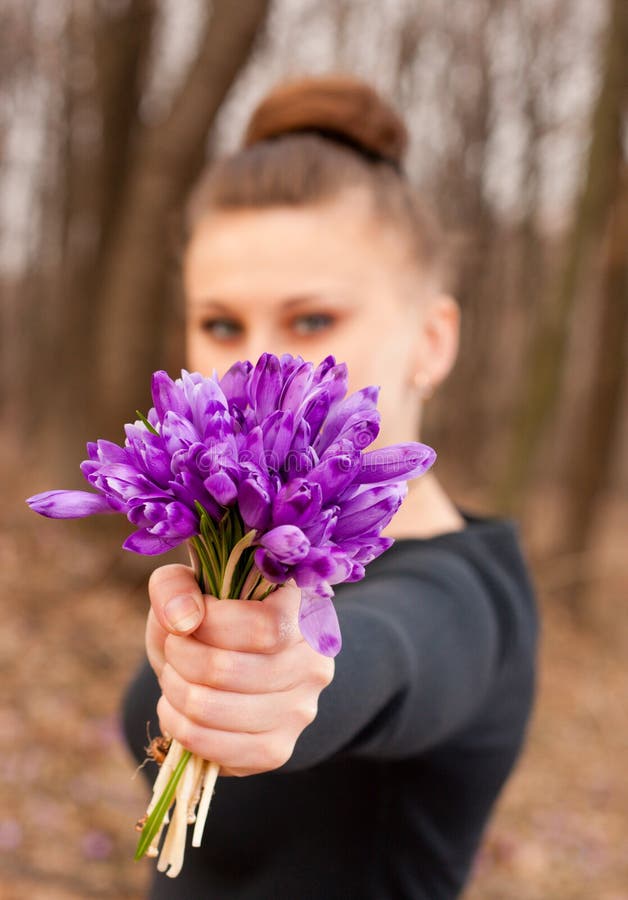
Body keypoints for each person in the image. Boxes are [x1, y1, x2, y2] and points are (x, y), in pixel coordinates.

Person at [123, 75, 538, 900]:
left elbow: (387, 659)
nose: (256, 365)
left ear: (433, 339)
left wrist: (283, 679)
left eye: (313, 321)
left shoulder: (467, 597)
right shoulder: (238, 547)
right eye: (220, 324)